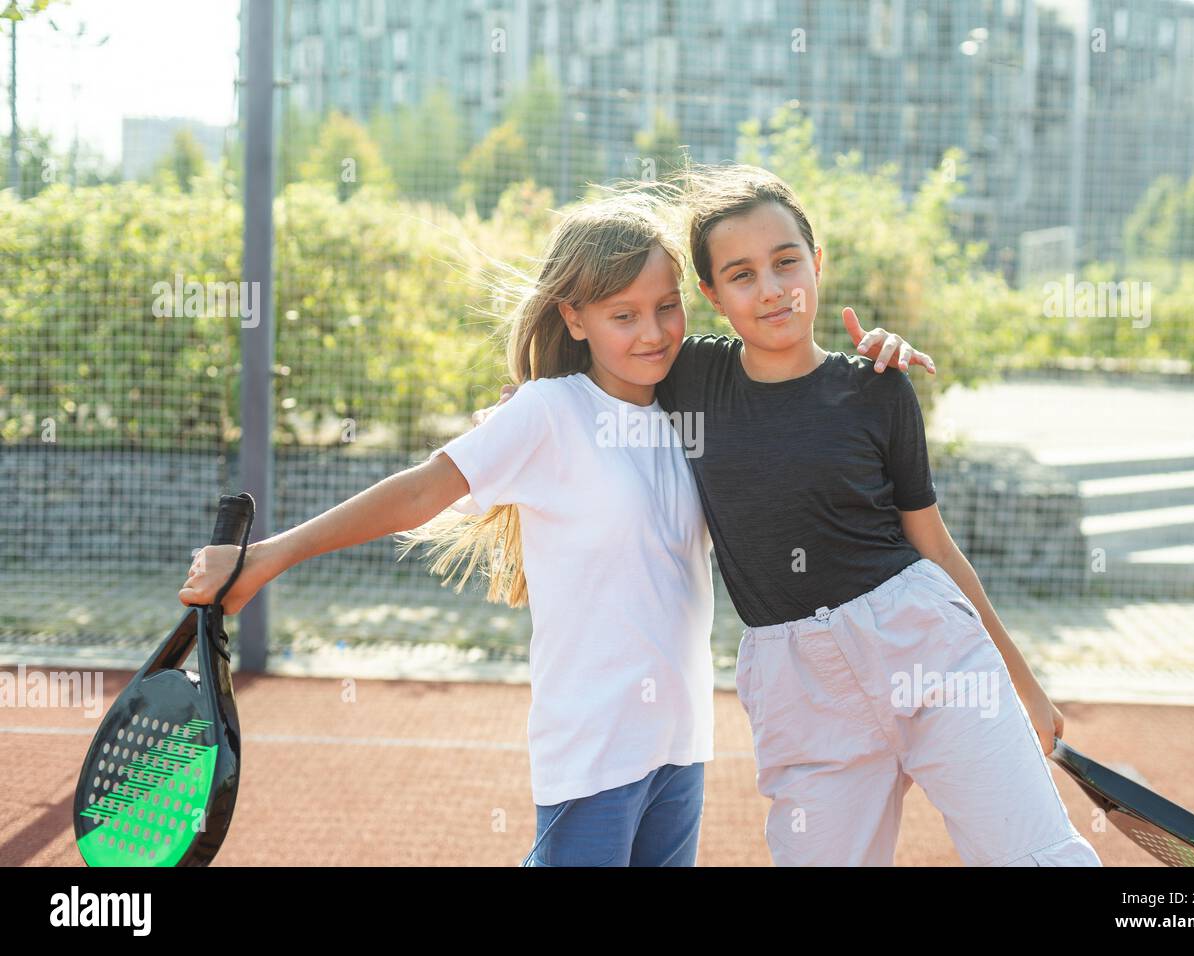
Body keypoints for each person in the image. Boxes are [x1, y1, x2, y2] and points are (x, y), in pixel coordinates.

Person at [178, 190, 928, 867]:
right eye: (622, 315)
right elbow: (417, 494)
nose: (653, 333)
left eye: (667, 307)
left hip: (679, 746)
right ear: (575, 317)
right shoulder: (546, 413)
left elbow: (796, 404)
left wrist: (866, 365)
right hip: (593, 757)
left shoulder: (689, 413)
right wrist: (270, 556)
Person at [648, 163, 1103, 867]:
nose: (771, 289)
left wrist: (1024, 685)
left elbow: (935, 549)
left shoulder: (878, 389)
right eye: (741, 275)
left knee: (1036, 858)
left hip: (927, 648)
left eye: (786, 262)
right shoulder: (689, 378)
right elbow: (599, 363)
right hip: (798, 687)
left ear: (817, 262)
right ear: (710, 294)